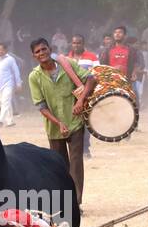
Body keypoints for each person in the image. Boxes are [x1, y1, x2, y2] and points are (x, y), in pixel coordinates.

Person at [28, 37, 98, 205]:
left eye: (43, 49)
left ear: (49, 49)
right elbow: (41, 106)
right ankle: (64, 202)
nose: (41, 53)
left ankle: (76, 202)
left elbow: (91, 79)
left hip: (75, 123)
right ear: (34, 56)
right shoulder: (34, 77)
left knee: (75, 163)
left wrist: (81, 100)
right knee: (59, 166)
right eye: (37, 51)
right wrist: (58, 123)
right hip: (54, 128)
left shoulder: (67, 64)